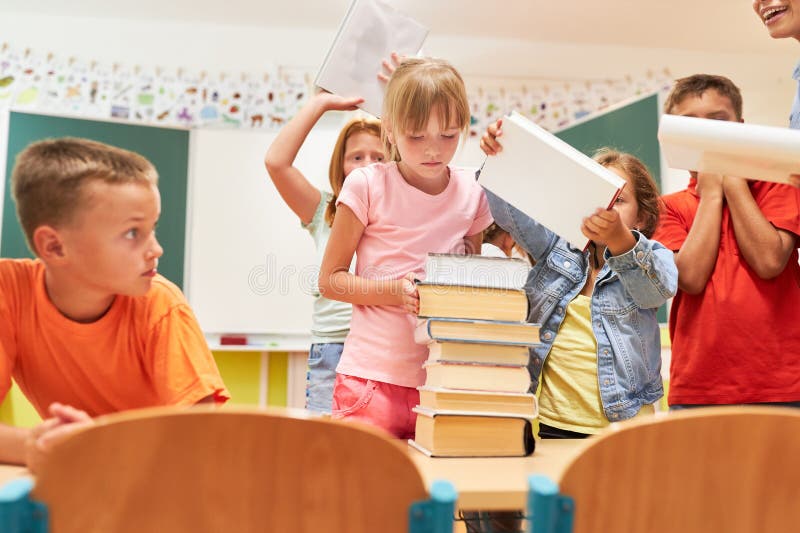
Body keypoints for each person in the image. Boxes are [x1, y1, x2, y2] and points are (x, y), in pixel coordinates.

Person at [0, 138, 229, 469]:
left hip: (156, 485)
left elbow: (199, 435)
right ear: (54, 246)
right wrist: (36, 445)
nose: (156, 249)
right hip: (81, 481)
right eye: (133, 233)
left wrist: (95, 444)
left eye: (153, 228)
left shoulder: (161, 305)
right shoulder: (10, 290)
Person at [318, 57, 493, 439]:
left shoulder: (472, 192)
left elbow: (469, 277)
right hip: (371, 380)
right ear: (392, 132)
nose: (434, 150)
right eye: (417, 136)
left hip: (443, 381)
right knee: (366, 495)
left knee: (435, 497)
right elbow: (330, 281)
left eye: (448, 135)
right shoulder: (367, 185)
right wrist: (396, 292)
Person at [481, 128, 675, 436]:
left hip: (626, 425)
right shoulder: (556, 248)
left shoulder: (651, 256)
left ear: (640, 218)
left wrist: (619, 238)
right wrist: (498, 159)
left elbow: (655, 290)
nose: (606, 208)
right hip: (555, 423)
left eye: (619, 199)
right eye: (597, 197)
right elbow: (510, 214)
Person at [655, 74, 800, 408]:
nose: (707, 134)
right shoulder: (667, 208)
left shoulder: (778, 187)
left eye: (718, 121)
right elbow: (689, 278)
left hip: (784, 385)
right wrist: (710, 197)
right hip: (700, 387)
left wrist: (733, 182)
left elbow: (769, 262)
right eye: (690, 124)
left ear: (741, 127)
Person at [264, 92, 384, 413]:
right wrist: (320, 104)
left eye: (378, 157)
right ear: (341, 166)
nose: (367, 166)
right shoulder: (324, 211)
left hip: (383, 351)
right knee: (325, 452)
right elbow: (276, 162)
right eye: (356, 157)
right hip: (332, 350)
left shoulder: (401, 212)